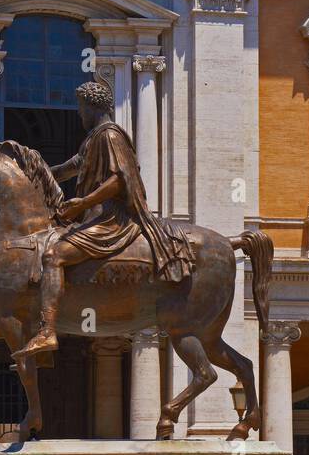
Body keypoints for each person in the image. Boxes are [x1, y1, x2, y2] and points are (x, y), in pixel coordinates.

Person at [14, 80, 193, 361]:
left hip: (111, 219)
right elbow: (70, 168)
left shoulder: (110, 136)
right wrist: (32, 174)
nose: (78, 114)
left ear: (91, 106)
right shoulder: (94, 138)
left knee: (53, 255)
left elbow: (120, 180)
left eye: (81, 108)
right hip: (93, 217)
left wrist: (82, 204)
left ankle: (47, 330)